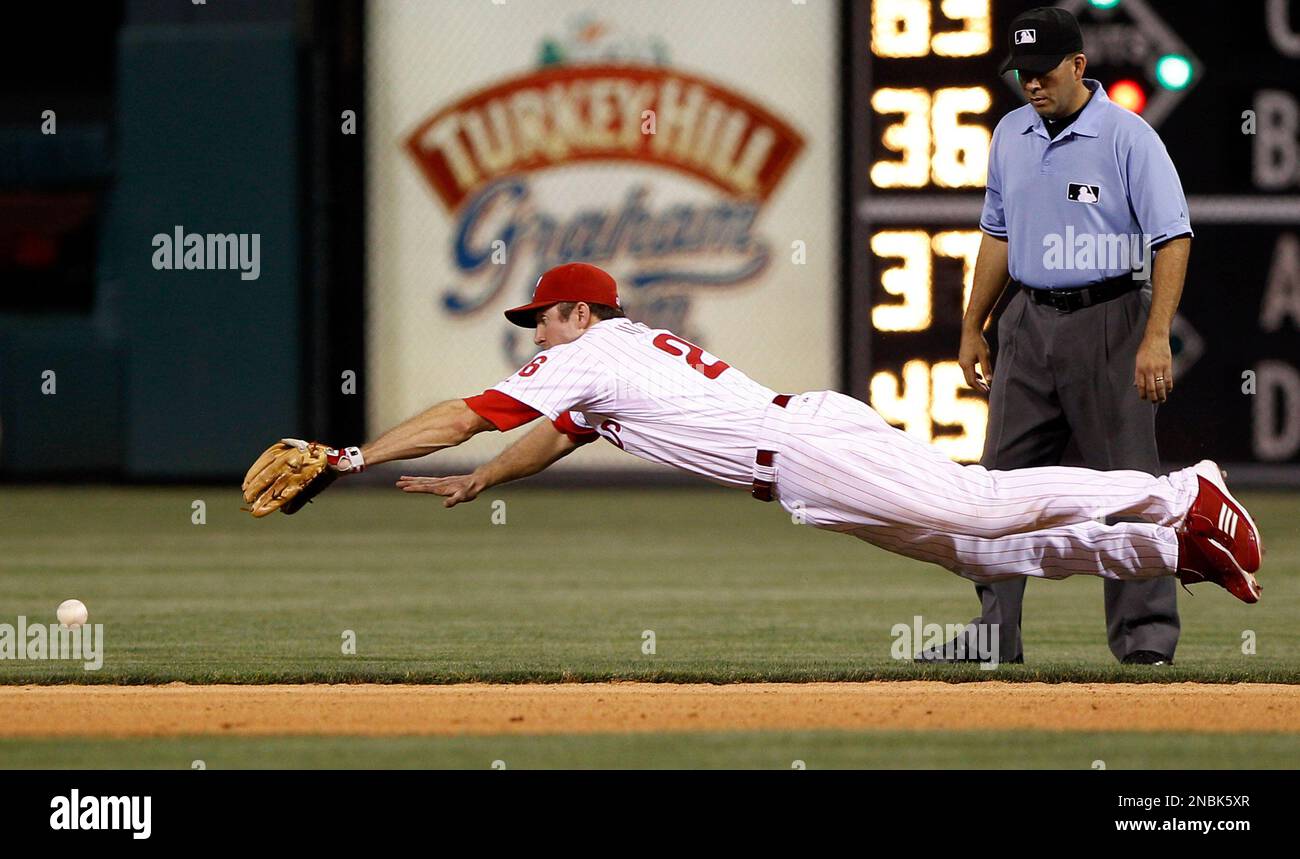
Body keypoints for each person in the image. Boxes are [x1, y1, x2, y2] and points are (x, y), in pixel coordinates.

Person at [248, 262, 1262, 607]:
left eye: (541, 319)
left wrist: (351, 456)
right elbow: (555, 432)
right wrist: (486, 483)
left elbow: (474, 410)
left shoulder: (591, 348)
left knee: (977, 501)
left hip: (811, 450)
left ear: (577, 315)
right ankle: (1168, 544)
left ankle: (1181, 490)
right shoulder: (609, 364)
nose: (535, 335)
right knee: (983, 550)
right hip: (805, 467)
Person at [939, 7, 1197, 665]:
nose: (1031, 83)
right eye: (1022, 71)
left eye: (1044, 70)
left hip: (1110, 316)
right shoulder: (1010, 133)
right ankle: (994, 632)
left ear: (1079, 65)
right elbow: (996, 234)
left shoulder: (1127, 136)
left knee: (1129, 486)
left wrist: (1156, 334)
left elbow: (1173, 237)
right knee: (997, 486)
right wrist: (974, 324)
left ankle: (1146, 641)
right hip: (1027, 320)